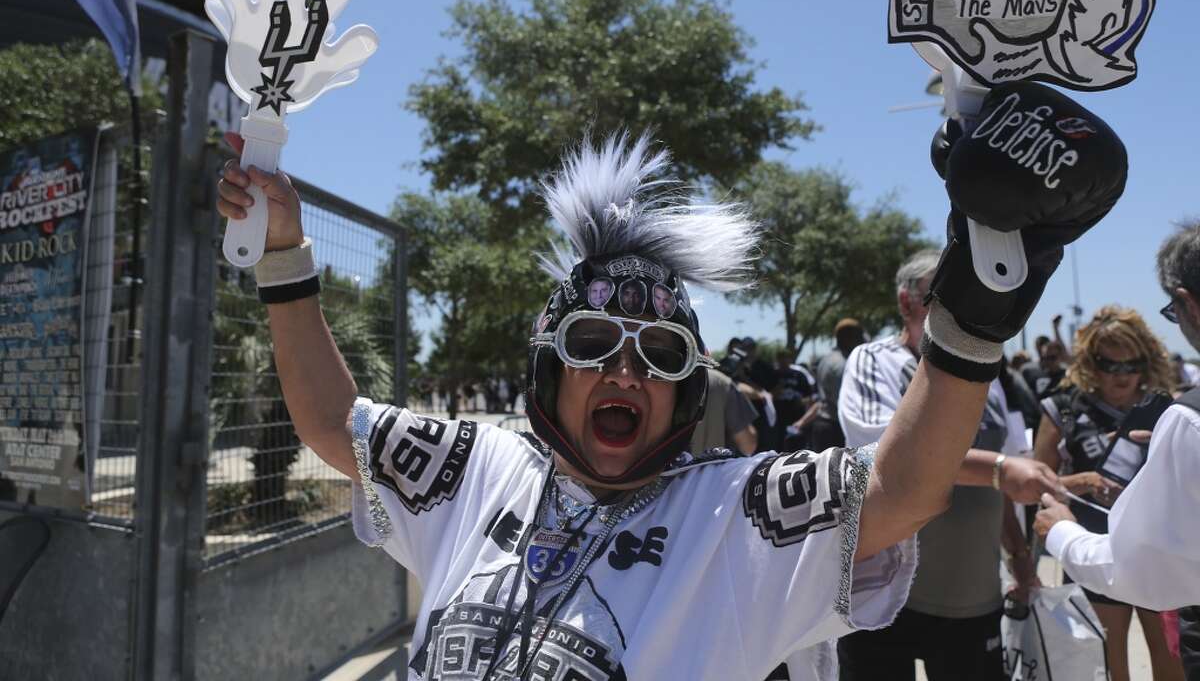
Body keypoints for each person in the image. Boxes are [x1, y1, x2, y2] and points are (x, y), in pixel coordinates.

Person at [216, 80, 1124, 679]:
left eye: (658, 355)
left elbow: (899, 487)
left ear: (688, 387)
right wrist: (287, 255)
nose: (624, 367)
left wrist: (971, 322)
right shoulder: (477, 468)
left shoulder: (734, 514)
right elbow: (336, 423)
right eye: (594, 340)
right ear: (546, 363)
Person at [835, 248, 1064, 681]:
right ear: (907, 304)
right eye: (946, 296)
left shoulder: (984, 373)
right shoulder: (874, 362)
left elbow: (998, 488)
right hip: (884, 597)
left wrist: (1017, 552)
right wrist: (999, 468)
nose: (964, 309)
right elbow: (881, 449)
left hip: (972, 594)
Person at [1037, 221, 1200, 680]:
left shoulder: (1172, 409)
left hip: (1154, 553)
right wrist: (1076, 483)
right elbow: (1034, 479)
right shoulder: (1063, 407)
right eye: (1110, 363)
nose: (1122, 374)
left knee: (1169, 665)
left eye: (1131, 363)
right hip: (1091, 542)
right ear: (1091, 361)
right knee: (1108, 669)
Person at [812, 319, 864, 451]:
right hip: (835, 427)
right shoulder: (842, 364)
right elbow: (843, 402)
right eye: (858, 337)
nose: (862, 341)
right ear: (847, 338)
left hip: (823, 423)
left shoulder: (826, 358)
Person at [689, 367, 758, 457]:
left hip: (671, 469)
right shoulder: (722, 382)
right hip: (713, 467)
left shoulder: (667, 378)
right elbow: (748, 445)